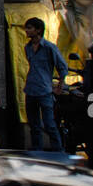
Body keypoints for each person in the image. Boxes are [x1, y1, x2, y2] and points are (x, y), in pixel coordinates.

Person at [22, 16, 67, 151]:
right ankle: (38, 151)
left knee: (49, 124)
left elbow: (62, 67)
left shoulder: (49, 48)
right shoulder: (28, 47)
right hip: (30, 89)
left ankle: (58, 151)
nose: (26, 31)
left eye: (29, 28)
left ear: (38, 30)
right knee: (34, 125)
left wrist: (59, 86)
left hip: (44, 91)